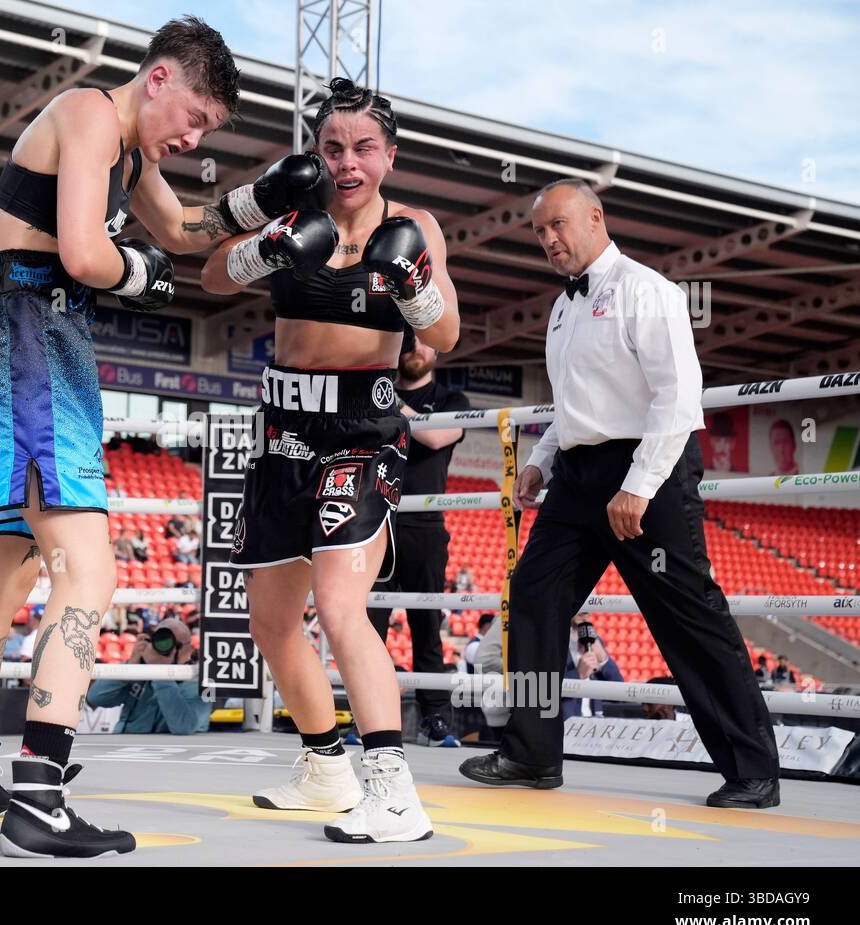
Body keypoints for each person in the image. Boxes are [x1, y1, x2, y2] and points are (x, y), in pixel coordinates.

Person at [0, 16, 243, 858]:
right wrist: (135, 272)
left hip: (14, 335)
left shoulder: (129, 154)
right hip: (30, 333)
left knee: (9, 571)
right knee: (90, 570)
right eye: (194, 116)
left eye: (207, 130)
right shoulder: (87, 115)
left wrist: (267, 207)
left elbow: (183, 230)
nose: (192, 136)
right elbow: (81, 251)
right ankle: (38, 794)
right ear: (159, 78)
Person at [458, 178, 781, 810]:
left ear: (596, 218)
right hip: (578, 479)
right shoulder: (561, 308)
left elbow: (678, 398)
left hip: (648, 472)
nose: (550, 239)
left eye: (559, 224)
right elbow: (575, 405)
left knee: (688, 617)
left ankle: (753, 771)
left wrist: (637, 485)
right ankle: (531, 754)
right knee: (533, 596)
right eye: (540, 231)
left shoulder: (648, 290)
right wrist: (541, 461)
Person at [203, 77, 459, 843]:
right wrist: (266, 246)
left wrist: (413, 288)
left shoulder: (416, 225)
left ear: (389, 154)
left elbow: (444, 339)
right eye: (333, 146)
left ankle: (396, 793)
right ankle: (326, 770)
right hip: (282, 430)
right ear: (318, 151)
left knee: (343, 610)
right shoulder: (294, 212)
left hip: (361, 432)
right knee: (274, 622)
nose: (348, 162)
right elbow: (212, 276)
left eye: (364, 147)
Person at [368, 329, 469, 746]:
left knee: (426, 625)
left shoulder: (451, 401)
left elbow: (437, 436)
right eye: (409, 341)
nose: (416, 349)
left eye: (425, 343)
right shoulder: (377, 393)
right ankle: (369, 718)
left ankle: (436, 720)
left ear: (438, 350)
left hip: (425, 525)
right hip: (375, 519)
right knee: (370, 625)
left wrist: (391, 403)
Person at [86, 618, 211, 733]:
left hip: (173, 753)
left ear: (187, 649)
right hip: (126, 749)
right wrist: (130, 666)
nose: (163, 645)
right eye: (160, 639)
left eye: (170, 641)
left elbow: (184, 727)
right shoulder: (140, 671)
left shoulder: (204, 682)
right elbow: (96, 697)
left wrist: (160, 673)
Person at [560, 613, 623, 719]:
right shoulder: (552, 640)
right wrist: (577, 675)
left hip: (592, 724)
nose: (585, 612)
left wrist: (604, 660)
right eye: (582, 602)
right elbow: (539, 691)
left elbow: (619, 694)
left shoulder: (595, 640)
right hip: (564, 726)